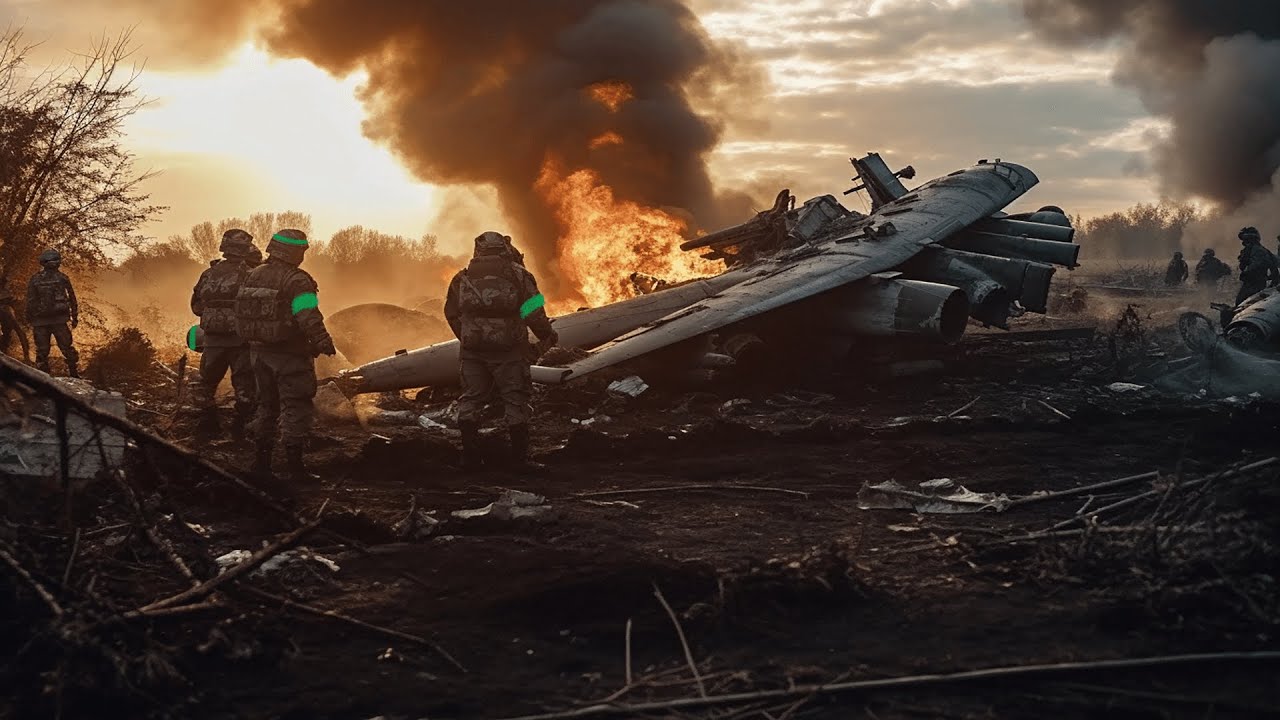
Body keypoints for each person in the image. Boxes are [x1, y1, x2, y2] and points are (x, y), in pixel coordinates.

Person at [445, 231, 558, 472]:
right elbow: (533, 308)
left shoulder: (461, 278)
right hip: (509, 351)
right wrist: (546, 334)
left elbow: (451, 313)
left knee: (471, 398)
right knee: (515, 399)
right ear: (505, 250)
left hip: (473, 351)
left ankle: (470, 459)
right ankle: (519, 461)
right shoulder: (519, 275)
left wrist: (468, 337)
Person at [234, 229, 336, 481]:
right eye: (301, 250)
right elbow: (307, 315)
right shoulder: (297, 280)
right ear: (294, 252)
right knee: (296, 406)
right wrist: (323, 341)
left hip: (258, 353)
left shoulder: (253, 275)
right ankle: (295, 468)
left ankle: (261, 463)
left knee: (267, 407)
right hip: (289, 355)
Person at [190, 229, 259, 440]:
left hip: (212, 340)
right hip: (241, 340)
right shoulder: (251, 273)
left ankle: (208, 425)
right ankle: (240, 429)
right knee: (245, 387)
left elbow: (196, 306)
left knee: (206, 383)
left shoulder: (208, 273)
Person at [25, 248, 79, 377]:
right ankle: (74, 374)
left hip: (40, 321)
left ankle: (44, 378)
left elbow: (30, 300)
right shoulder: (62, 277)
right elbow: (72, 298)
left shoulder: (35, 279)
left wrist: (28, 317)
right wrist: (74, 316)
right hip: (59, 320)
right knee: (66, 347)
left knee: (42, 351)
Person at [1236, 227, 1279, 305]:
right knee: (1242, 301)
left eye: (1246, 239)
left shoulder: (1257, 250)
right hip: (1251, 281)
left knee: (1244, 302)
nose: (1244, 242)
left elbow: (1260, 263)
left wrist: (1247, 272)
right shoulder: (1252, 249)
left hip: (1255, 281)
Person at [0, 274, 30, 361]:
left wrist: (26, 357)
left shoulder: (8, 308)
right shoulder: (6, 308)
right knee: (12, 333)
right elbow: (20, 333)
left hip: (7, 309)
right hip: (6, 308)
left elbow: (20, 333)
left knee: (9, 334)